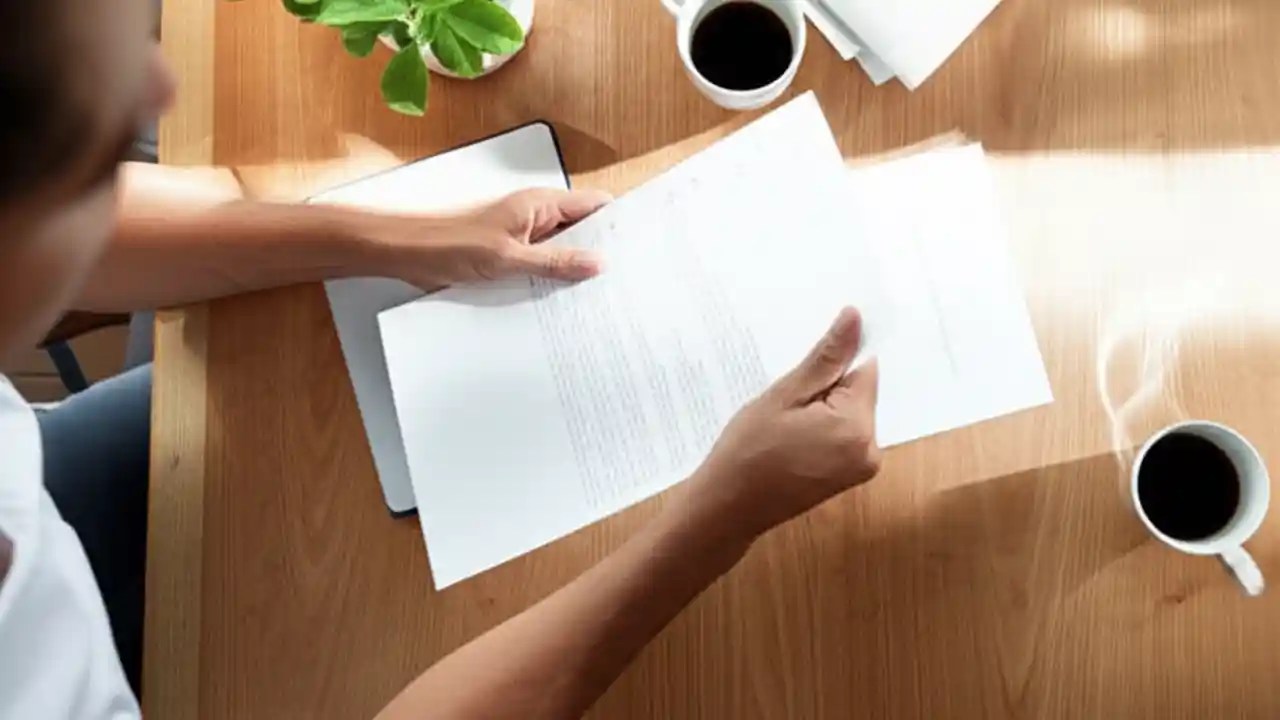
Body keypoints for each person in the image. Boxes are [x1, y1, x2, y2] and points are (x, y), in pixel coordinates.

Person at [0, 0, 883, 718]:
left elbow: (115, 219)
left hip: (45, 483)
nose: (156, 90)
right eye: (57, 111)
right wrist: (720, 520)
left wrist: (406, 239)